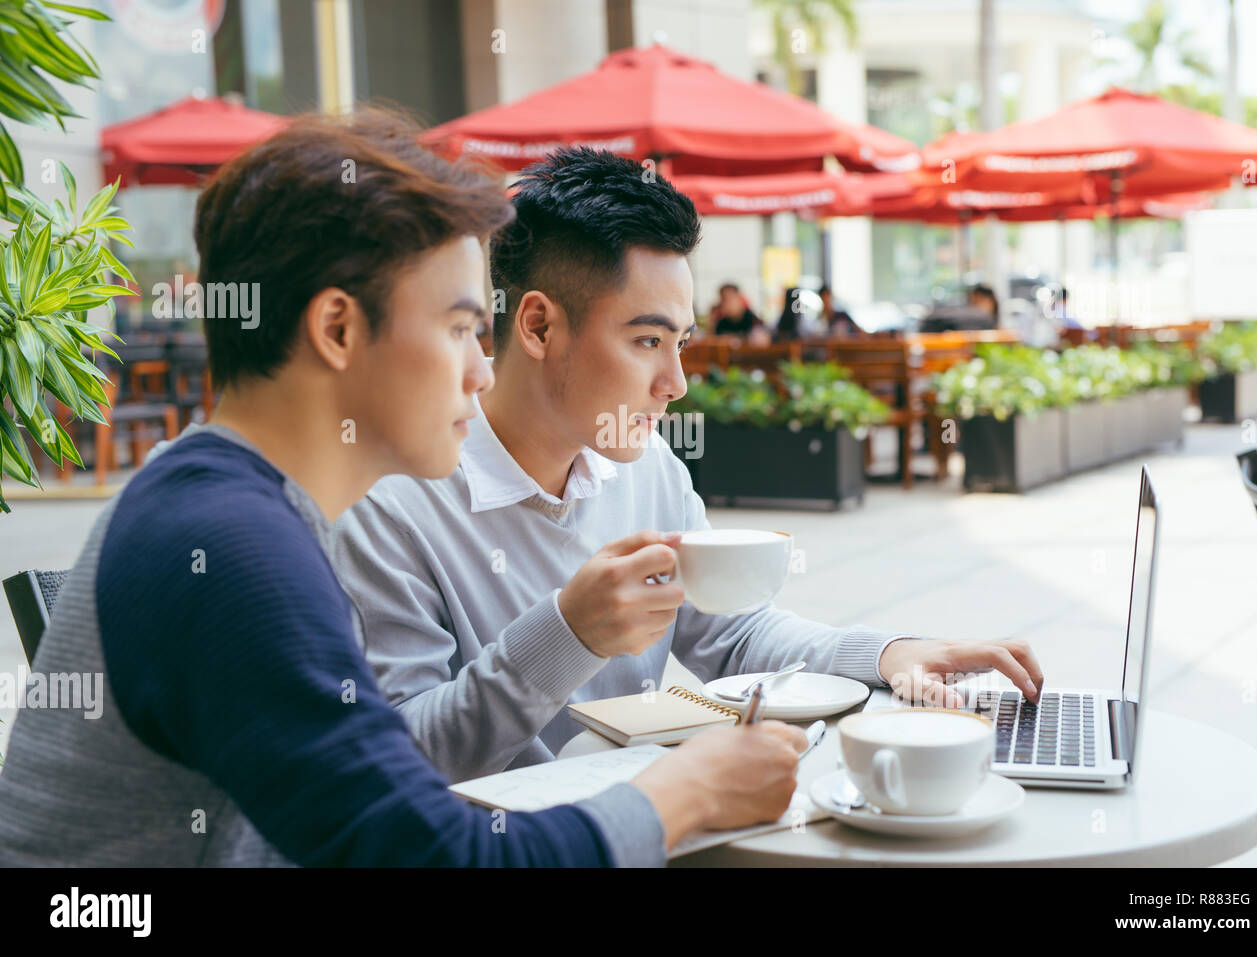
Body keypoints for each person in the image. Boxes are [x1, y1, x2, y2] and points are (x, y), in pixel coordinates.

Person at [0, 113, 807, 867]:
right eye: (459, 328)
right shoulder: (227, 541)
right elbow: (429, 853)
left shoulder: (236, 507)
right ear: (339, 329)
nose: (483, 370)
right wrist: (685, 791)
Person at [331, 147, 1046, 784]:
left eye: (682, 342)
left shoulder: (649, 469)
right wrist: (567, 634)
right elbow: (403, 758)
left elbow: (731, 635)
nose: (675, 381)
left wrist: (891, 653)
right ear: (540, 325)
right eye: (647, 341)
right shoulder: (394, 499)